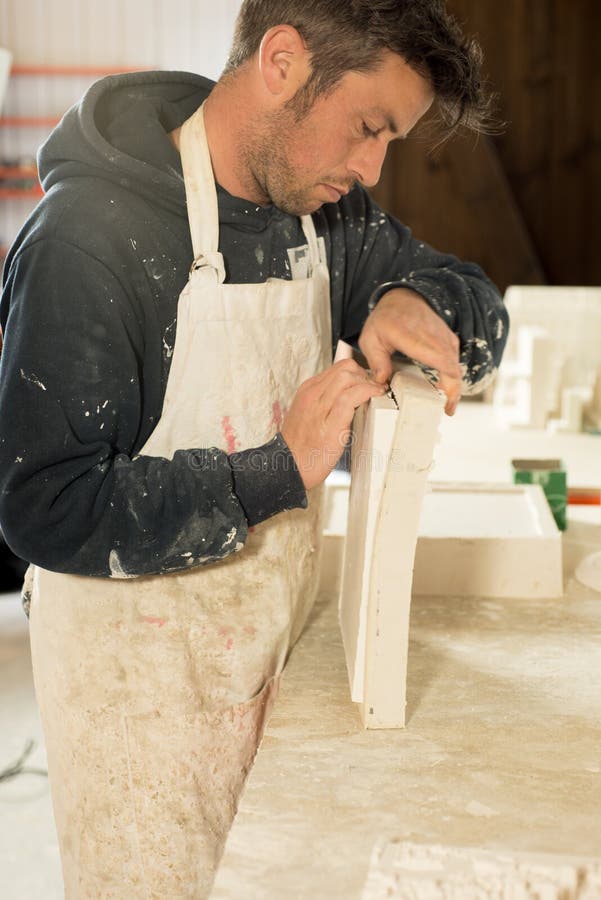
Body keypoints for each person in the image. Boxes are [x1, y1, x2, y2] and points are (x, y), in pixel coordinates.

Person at [0, 0, 508, 896]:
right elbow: (45, 508)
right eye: (366, 127)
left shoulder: (321, 220)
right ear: (281, 61)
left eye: (388, 140)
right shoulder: (91, 237)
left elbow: (476, 299)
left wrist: (416, 302)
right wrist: (274, 470)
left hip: (272, 659)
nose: (368, 168)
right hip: (138, 702)